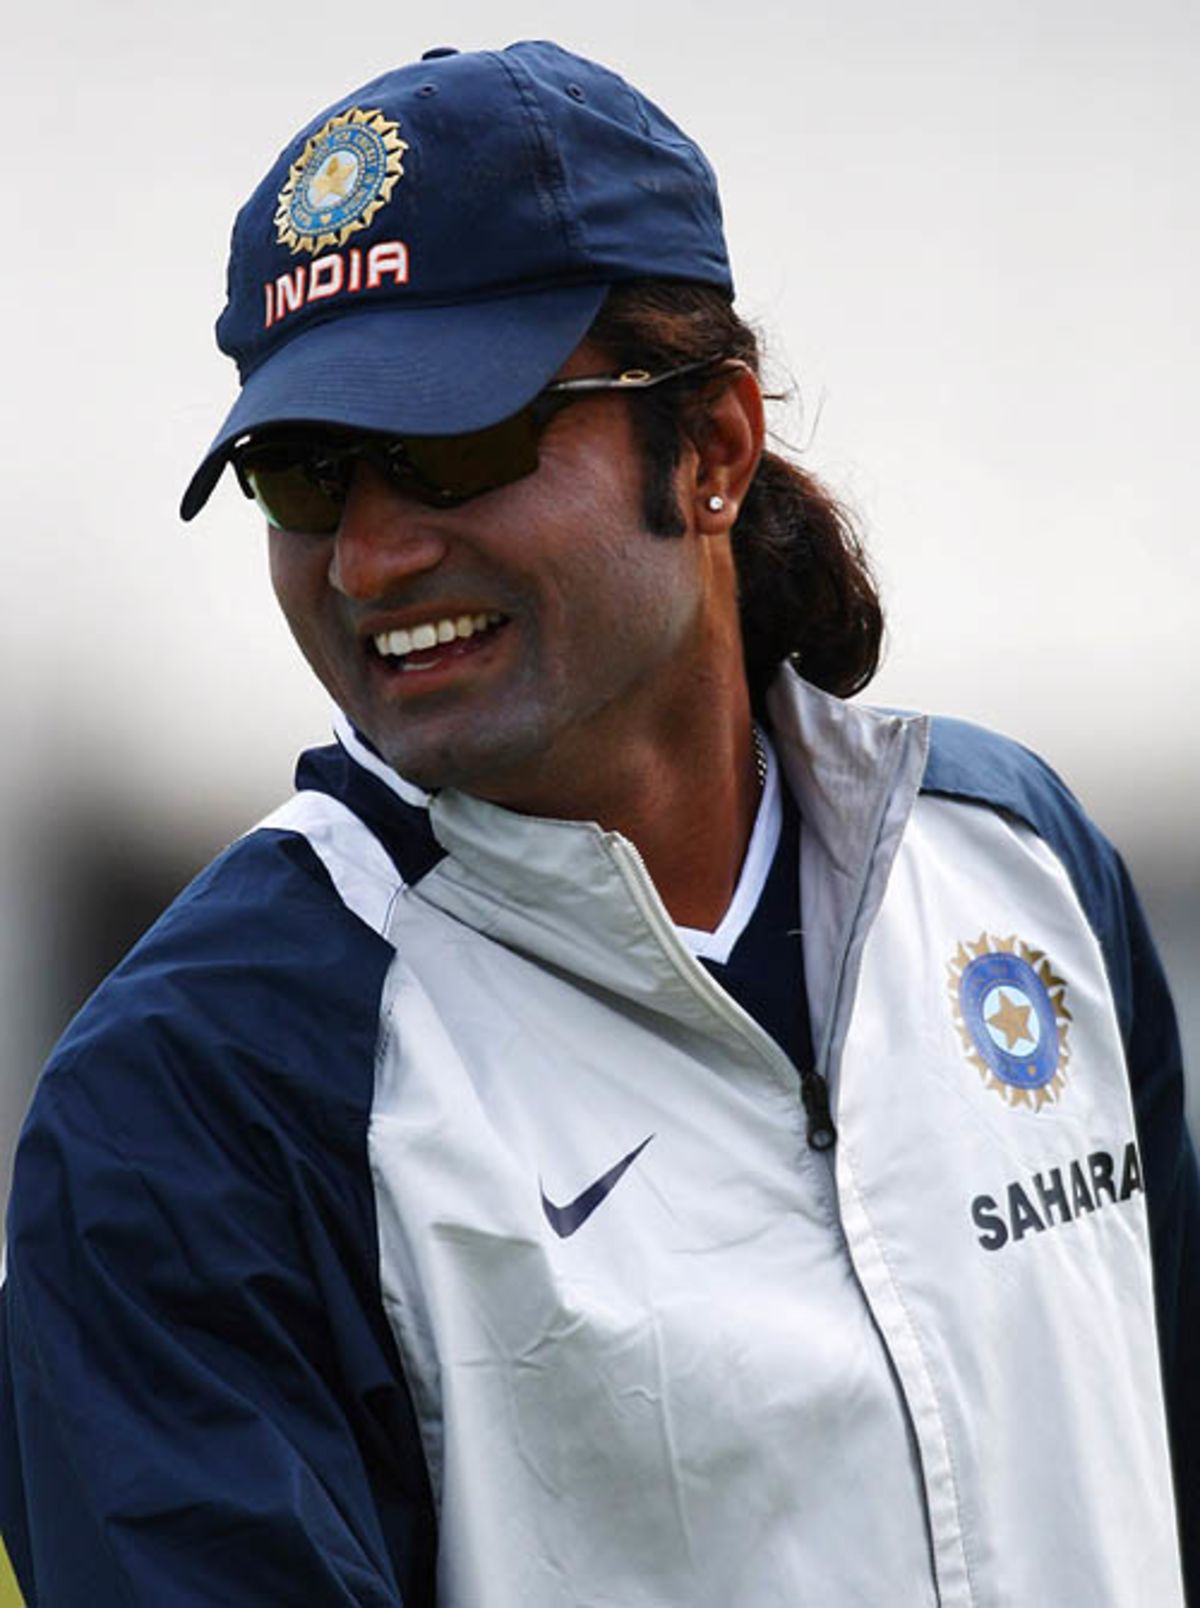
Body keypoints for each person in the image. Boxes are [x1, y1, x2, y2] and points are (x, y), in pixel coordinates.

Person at [1, 39, 1195, 1608]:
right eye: (304, 476)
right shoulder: (196, 1099)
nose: (366, 560)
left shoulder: (1020, 859)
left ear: (709, 446)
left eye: (454, 444)